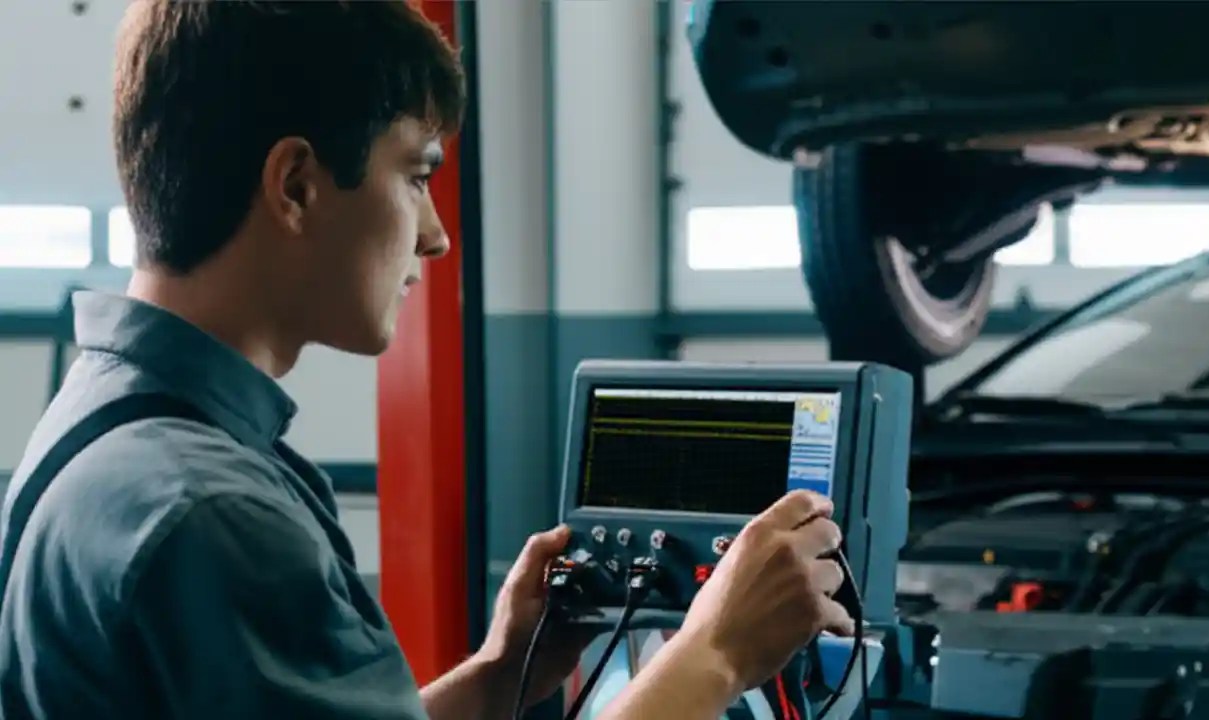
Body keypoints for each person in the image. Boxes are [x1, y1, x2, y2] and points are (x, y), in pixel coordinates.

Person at [0, 2, 855, 719]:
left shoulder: (105, 428)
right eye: (415, 176)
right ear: (295, 184)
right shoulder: (212, 509)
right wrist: (715, 654)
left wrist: (498, 674)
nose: (437, 235)